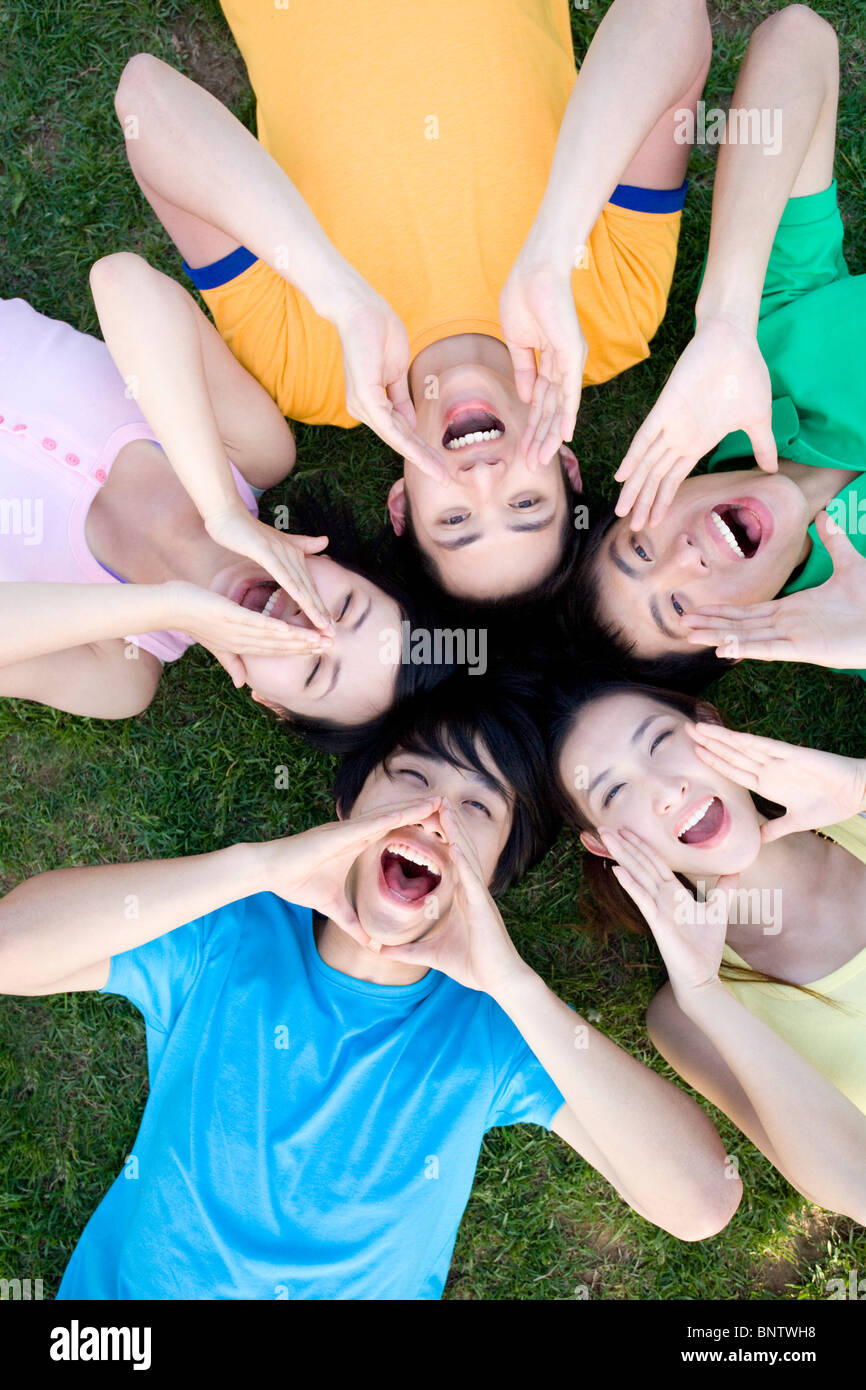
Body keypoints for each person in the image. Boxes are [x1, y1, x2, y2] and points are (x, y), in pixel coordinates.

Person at [0, 679, 738, 1300]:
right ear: (348, 806)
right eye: (412, 778)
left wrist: (514, 986)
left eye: (477, 809)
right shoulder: (225, 932)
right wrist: (257, 867)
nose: (433, 817)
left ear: (496, 876)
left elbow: (702, 1203)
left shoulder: (496, 1026)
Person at [113, 0, 713, 602]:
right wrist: (554, 248)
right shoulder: (612, 315)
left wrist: (340, 298)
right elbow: (668, 14)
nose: (484, 480)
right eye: (526, 503)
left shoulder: (307, 371)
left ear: (402, 507)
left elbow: (147, 98)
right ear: (567, 468)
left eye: (455, 522)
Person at [0, 282, 450, 730]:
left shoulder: (121, 670)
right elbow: (124, 283)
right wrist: (221, 509)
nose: (306, 629)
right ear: (336, 563)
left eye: (315, 671)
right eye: (347, 608)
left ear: (270, 702)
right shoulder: (253, 452)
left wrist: (168, 607)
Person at [576, 6, 866, 686]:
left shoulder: (758, 360)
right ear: (740, 635)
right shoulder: (853, 619)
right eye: (679, 606)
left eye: (640, 546)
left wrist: (729, 320)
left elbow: (797, 41)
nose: (686, 559)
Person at [550, 676, 866, 1222]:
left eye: (658, 742)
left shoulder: (856, 805)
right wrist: (705, 994)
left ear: (714, 728)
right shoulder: (689, 1016)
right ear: (604, 844)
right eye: (614, 792)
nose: (665, 789)